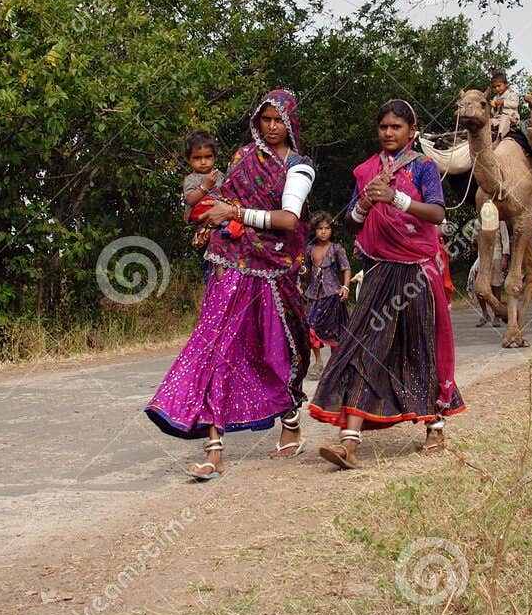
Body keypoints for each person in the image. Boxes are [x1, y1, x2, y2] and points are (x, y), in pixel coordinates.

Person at [146, 91, 315, 480]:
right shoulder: (242, 158)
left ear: (290, 122)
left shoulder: (299, 166)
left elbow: (288, 220)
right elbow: (212, 204)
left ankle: (290, 423)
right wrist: (212, 218)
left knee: (281, 352)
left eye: (278, 120)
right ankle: (214, 449)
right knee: (216, 349)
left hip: (277, 270)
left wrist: (234, 213)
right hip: (233, 264)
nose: (271, 127)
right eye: (265, 119)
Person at [311, 99, 463, 468]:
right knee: (365, 347)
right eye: (384, 127)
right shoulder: (366, 171)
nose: (389, 133)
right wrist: (364, 205)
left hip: (416, 271)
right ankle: (349, 444)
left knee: (420, 345)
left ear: (411, 131)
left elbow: (437, 212)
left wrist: (395, 198)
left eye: (397, 127)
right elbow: (350, 222)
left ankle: (435, 427)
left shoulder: (424, 167)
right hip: (379, 270)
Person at [301, 212, 352, 375]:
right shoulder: (309, 250)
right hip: (314, 295)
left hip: (333, 295)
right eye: (320, 228)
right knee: (310, 327)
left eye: (327, 228)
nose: (323, 231)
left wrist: (345, 287)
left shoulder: (337, 249)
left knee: (335, 330)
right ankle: (318, 362)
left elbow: (346, 268)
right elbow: (307, 272)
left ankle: (334, 364)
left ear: (332, 230)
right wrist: (302, 270)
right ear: (314, 230)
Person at [181, 131, 224, 269]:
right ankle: (215, 284)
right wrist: (205, 186)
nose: (203, 162)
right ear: (189, 160)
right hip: (203, 224)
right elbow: (190, 200)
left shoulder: (221, 176)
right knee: (212, 259)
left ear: (215, 157)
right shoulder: (191, 179)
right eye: (197, 158)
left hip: (222, 220)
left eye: (208, 157)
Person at [466, 212, 510, 327]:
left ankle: (497, 315)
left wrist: (505, 258)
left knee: (495, 286)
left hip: (496, 254)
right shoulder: (478, 222)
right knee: (476, 279)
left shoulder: (501, 222)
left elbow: (505, 241)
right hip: (483, 255)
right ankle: (485, 313)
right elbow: (474, 241)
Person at [488, 70, 521, 139]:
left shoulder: (512, 94)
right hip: (498, 118)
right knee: (489, 122)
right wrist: (495, 107)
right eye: (495, 87)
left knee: (504, 120)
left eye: (499, 86)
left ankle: (499, 138)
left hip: (510, 117)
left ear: (506, 84)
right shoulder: (496, 97)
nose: (497, 88)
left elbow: (515, 104)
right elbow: (493, 112)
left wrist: (504, 102)